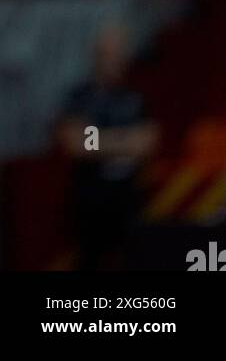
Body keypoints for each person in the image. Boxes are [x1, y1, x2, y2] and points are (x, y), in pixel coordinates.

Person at [56, 22, 159, 272]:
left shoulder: (135, 98)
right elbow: (77, 144)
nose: (115, 60)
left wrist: (99, 139)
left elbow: (147, 143)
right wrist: (125, 140)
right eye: (109, 54)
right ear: (97, 56)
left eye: (120, 53)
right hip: (91, 199)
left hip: (127, 199)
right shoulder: (80, 97)